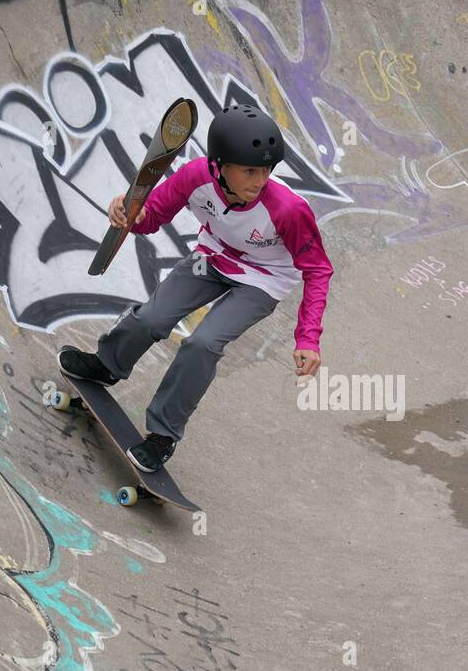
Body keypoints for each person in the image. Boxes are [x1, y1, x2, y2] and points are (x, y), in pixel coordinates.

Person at [58, 103, 332, 472]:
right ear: (219, 166)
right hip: (211, 257)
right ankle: (107, 364)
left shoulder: (288, 209)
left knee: (202, 344)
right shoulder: (194, 177)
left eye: (266, 170)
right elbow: (151, 216)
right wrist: (130, 213)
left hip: (263, 280)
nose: (259, 180)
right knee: (151, 319)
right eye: (249, 170)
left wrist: (308, 339)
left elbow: (317, 270)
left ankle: (162, 436)